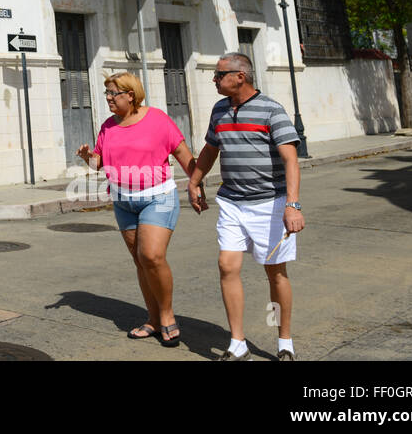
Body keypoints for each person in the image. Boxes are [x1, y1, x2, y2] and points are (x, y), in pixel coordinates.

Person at [187, 52, 304, 361]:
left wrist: (292, 205)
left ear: (240, 76)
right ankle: (237, 343)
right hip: (232, 202)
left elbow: (291, 160)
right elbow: (211, 148)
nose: (214, 79)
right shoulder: (220, 109)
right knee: (227, 265)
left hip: (271, 203)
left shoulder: (271, 111)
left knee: (275, 273)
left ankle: (285, 340)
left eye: (219, 74)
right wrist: (194, 180)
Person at [77, 71, 198, 347]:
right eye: (106, 93)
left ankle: (167, 316)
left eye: (112, 94)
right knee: (140, 261)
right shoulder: (108, 126)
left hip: (158, 197)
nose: (107, 98)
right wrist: (88, 157)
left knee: (152, 256)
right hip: (123, 202)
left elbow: (184, 155)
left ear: (130, 95)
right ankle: (153, 319)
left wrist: (196, 184)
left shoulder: (158, 119)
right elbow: (99, 164)